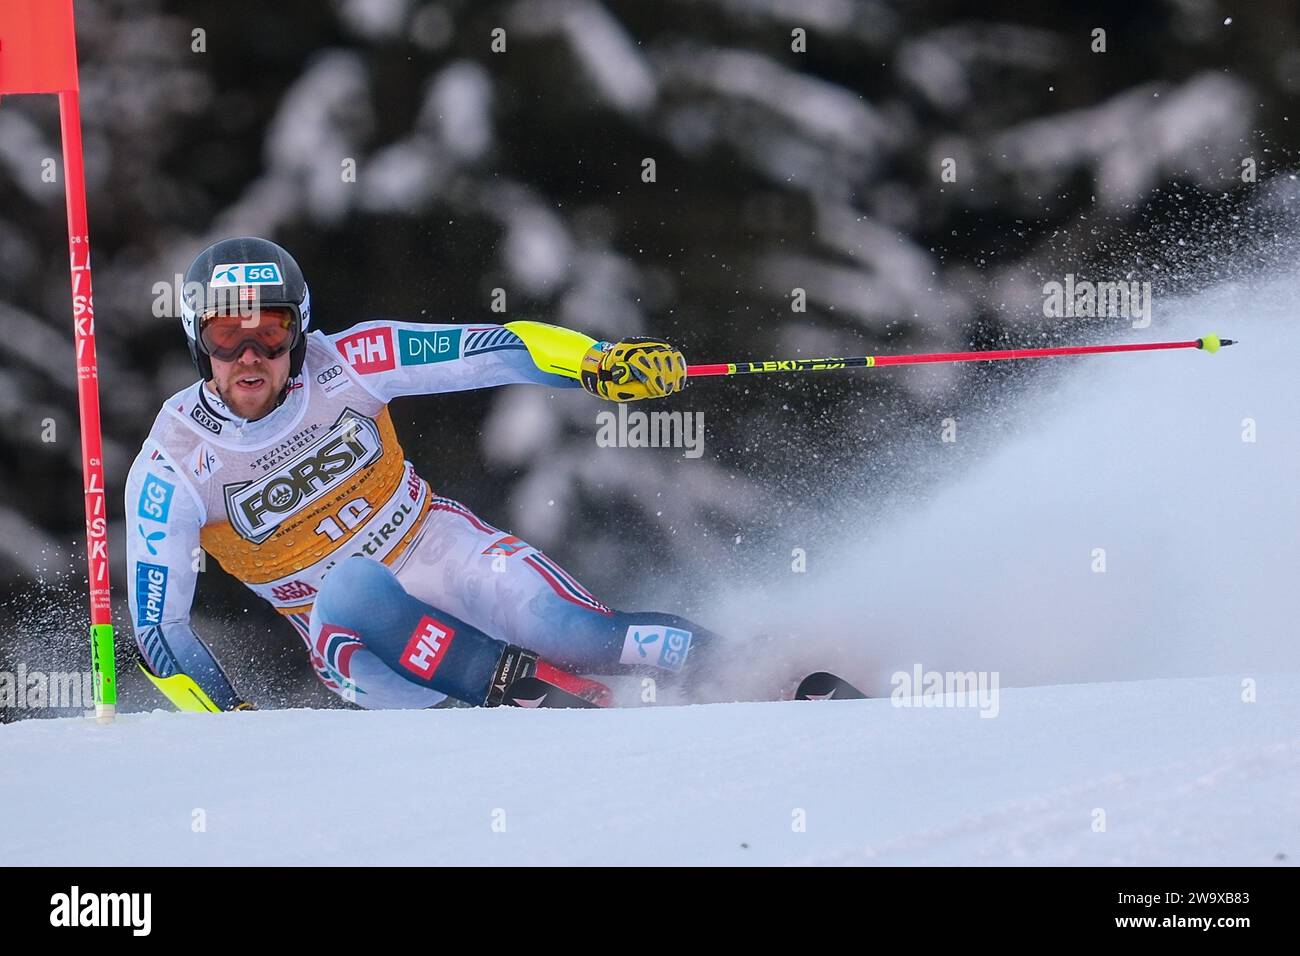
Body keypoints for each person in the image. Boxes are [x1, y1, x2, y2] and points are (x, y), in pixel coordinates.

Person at [125, 236, 714, 711]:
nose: (250, 356)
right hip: (353, 641)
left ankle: (753, 665)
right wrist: (231, 722)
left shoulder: (350, 360)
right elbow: (159, 632)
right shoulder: (172, 462)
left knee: (577, 634)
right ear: (199, 342)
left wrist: (596, 362)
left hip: (436, 548)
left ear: (298, 332)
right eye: (227, 336)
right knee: (351, 584)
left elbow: (498, 347)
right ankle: (524, 693)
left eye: (270, 332)